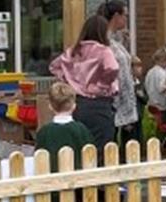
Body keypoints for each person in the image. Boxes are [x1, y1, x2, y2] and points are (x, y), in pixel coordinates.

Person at [49, 13, 120, 150]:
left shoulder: (73, 51)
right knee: (100, 148)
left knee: (78, 146)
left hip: (77, 103)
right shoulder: (103, 51)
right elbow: (113, 68)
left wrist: (69, 80)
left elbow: (54, 66)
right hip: (99, 104)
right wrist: (101, 85)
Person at [100, 0, 139, 147]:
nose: (126, 19)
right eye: (125, 15)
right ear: (116, 16)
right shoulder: (106, 41)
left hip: (122, 101)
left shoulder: (114, 41)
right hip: (115, 102)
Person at [35, 81, 93, 170]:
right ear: (74, 106)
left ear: (50, 106)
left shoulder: (44, 132)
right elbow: (90, 155)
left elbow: (39, 158)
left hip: (52, 177)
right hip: (78, 177)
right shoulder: (82, 130)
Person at [144, 47, 166, 114]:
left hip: (150, 104)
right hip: (160, 106)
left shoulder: (150, 71)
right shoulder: (162, 72)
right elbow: (161, 88)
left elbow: (146, 86)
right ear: (164, 60)